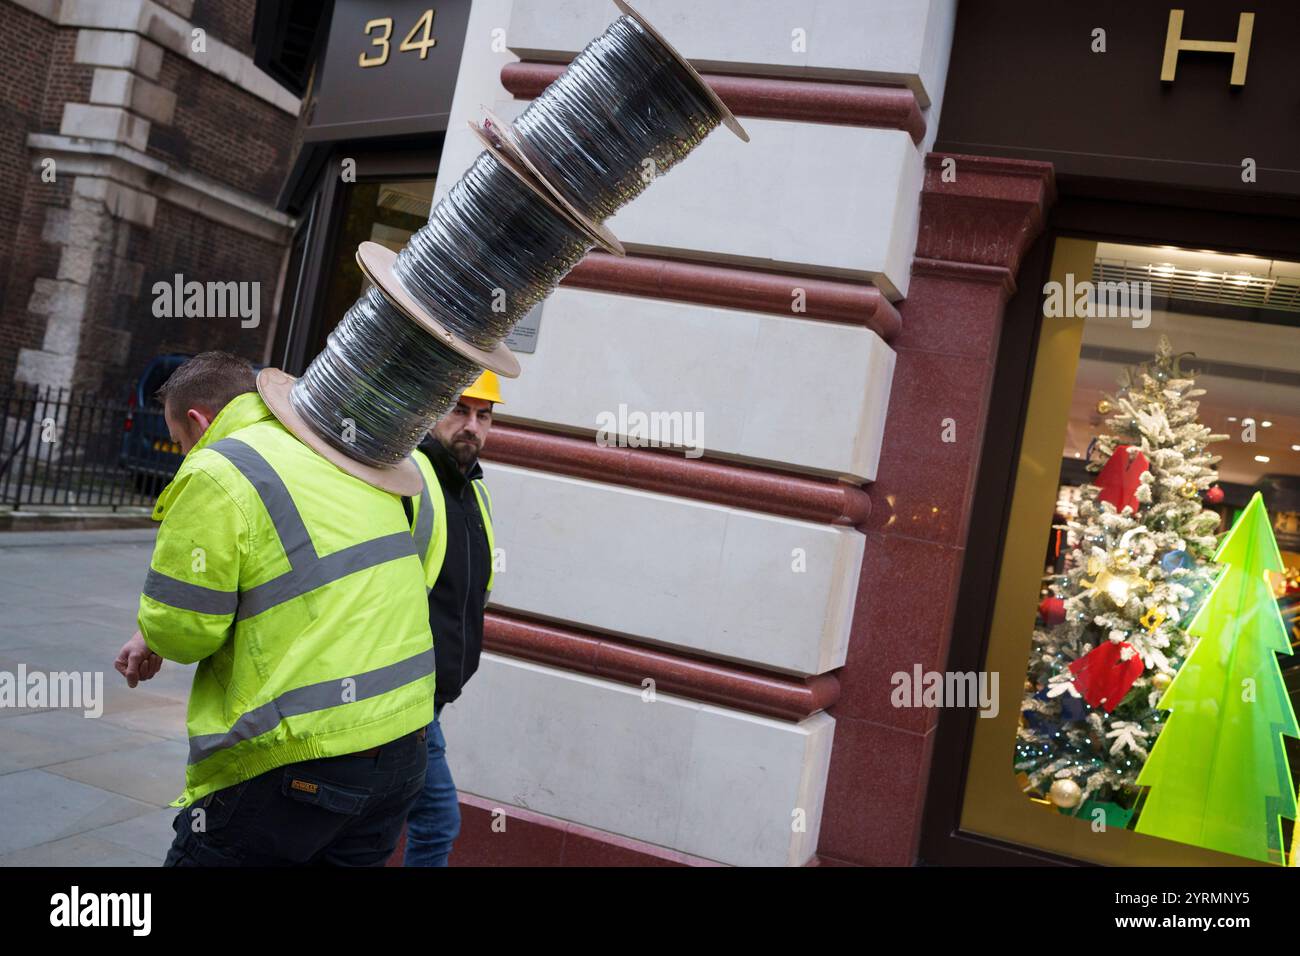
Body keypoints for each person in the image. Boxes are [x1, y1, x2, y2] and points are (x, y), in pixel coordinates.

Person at [112, 351, 436, 866]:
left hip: (299, 760)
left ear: (197, 421)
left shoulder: (222, 466)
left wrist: (156, 633)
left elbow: (184, 632)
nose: (182, 454)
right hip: (403, 745)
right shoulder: (342, 450)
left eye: (178, 442)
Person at [403, 370, 500, 867]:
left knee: (372, 821)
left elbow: (473, 593)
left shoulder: (475, 492)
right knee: (438, 820)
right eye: (459, 410)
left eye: (483, 416)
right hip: (401, 696)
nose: (472, 427)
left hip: (432, 696)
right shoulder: (409, 479)